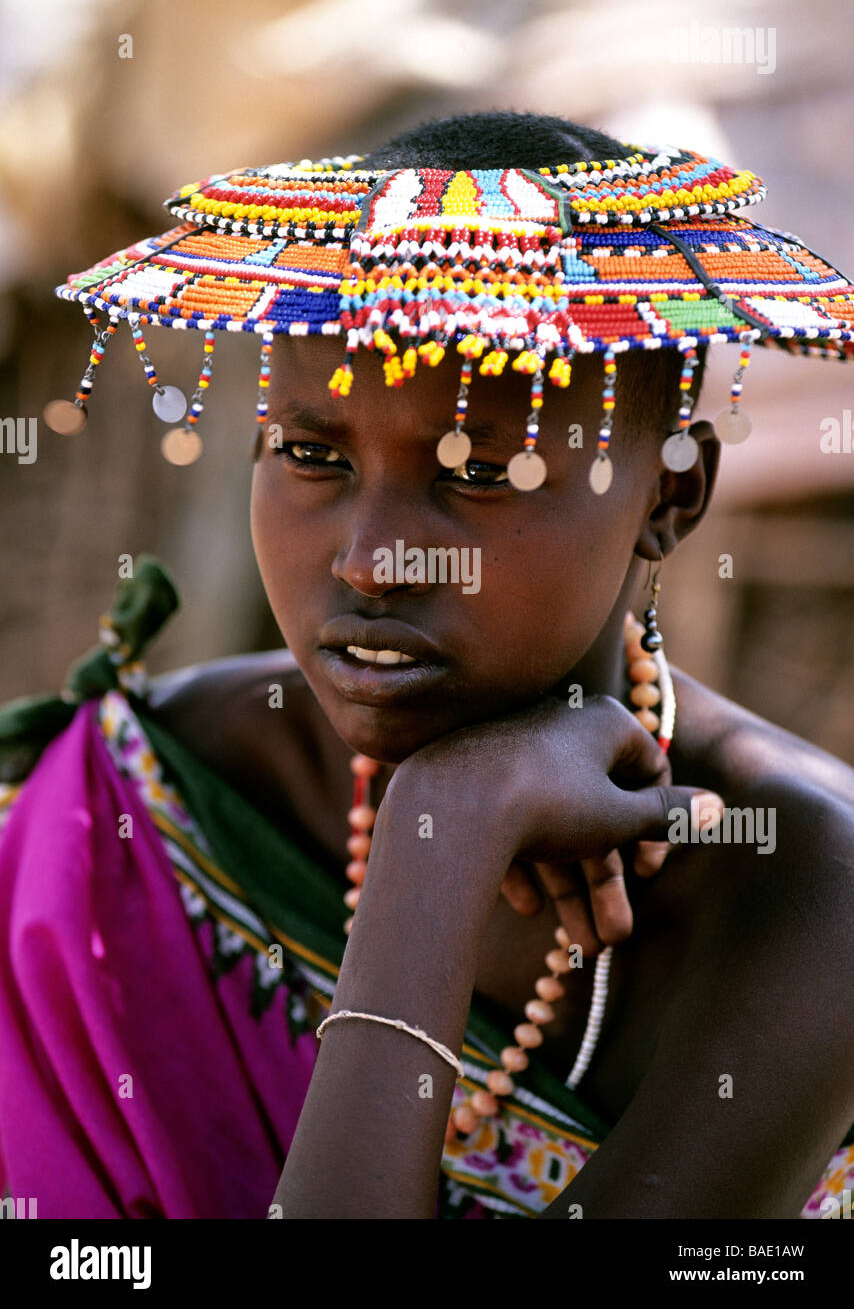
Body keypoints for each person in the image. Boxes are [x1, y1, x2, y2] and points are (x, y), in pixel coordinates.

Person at [1, 112, 853, 1220]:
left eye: (479, 473)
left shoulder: (797, 890)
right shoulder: (150, 794)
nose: (370, 559)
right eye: (310, 456)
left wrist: (437, 834)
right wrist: (433, 846)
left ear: (668, 496)